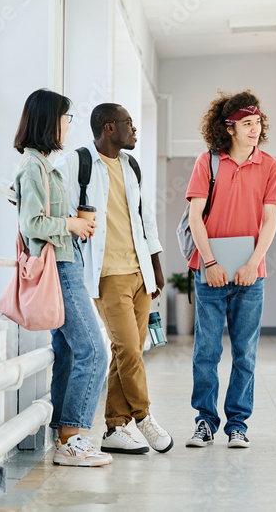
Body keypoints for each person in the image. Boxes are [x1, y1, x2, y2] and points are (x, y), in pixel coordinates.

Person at [54, 103, 173, 455]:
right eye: (128, 124)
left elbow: (144, 218)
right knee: (126, 349)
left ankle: (115, 428)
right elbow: (56, 208)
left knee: (132, 350)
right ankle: (144, 417)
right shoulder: (77, 162)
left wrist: (155, 266)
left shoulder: (130, 165)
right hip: (106, 275)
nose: (134, 130)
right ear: (109, 128)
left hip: (138, 271)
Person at [12, 89, 111, 467]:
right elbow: (32, 224)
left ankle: (65, 438)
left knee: (69, 351)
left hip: (65, 262)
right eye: (66, 118)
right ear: (50, 120)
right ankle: (71, 437)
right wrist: (70, 223)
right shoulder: (32, 167)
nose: (69, 125)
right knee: (95, 350)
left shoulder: (41, 164)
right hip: (60, 268)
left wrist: (73, 227)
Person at [183, 91, 276, 449]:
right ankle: (205, 423)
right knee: (206, 352)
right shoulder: (207, 162)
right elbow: (196, 217)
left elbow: (270, 221)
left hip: (250, 275)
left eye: (257, 122)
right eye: (246, 123)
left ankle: (238, 424)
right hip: (209, 271)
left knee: (246, 353)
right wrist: (209, 262)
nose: (254, 129)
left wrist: (253, 264)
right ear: (229, 127)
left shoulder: (271, 166)